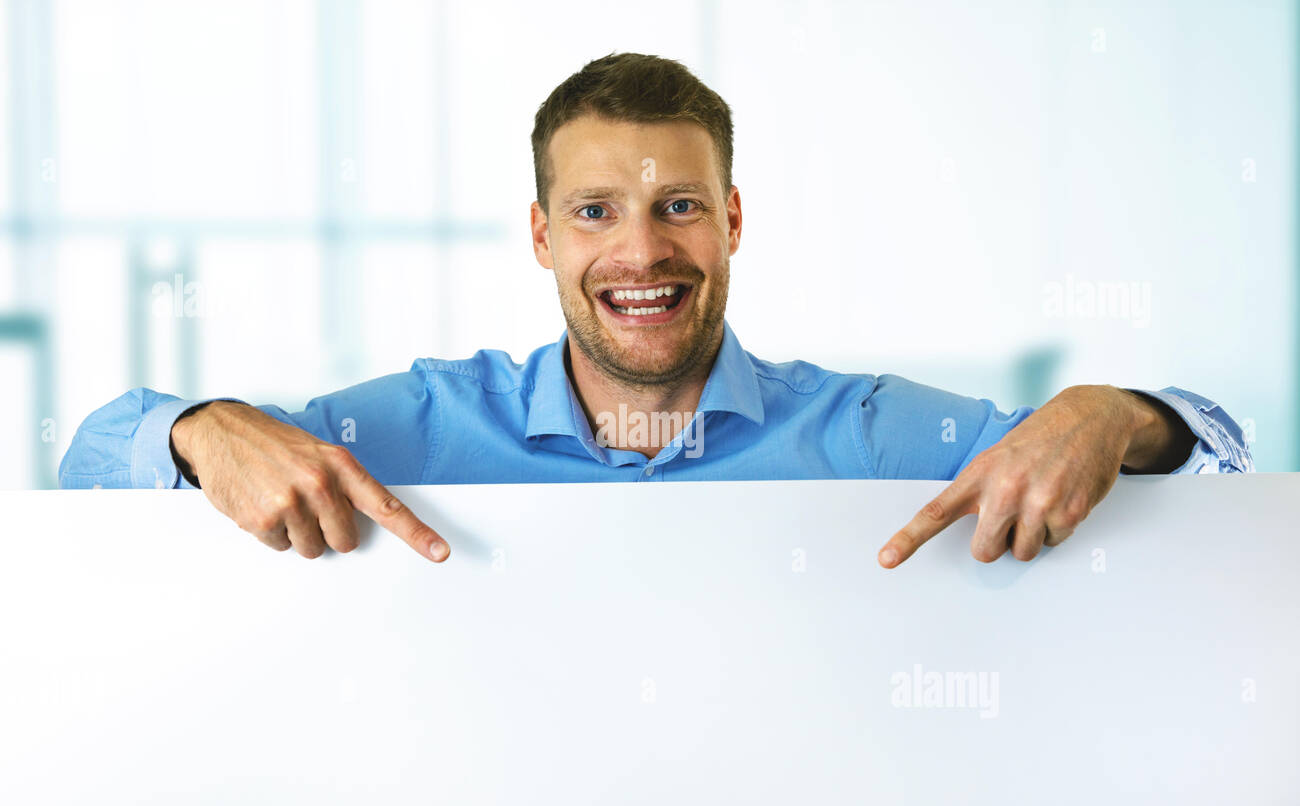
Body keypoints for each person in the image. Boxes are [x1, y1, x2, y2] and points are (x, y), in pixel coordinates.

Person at [58, 53, 1253, 570]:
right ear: (540, 235)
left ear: (732, 220)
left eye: (677, 205)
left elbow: (1223, 476)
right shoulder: (408, 432)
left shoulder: (869, 435)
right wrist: (198, 425)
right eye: (593, 213)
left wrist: (1114, 415)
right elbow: (87, 465)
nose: (641, 251)